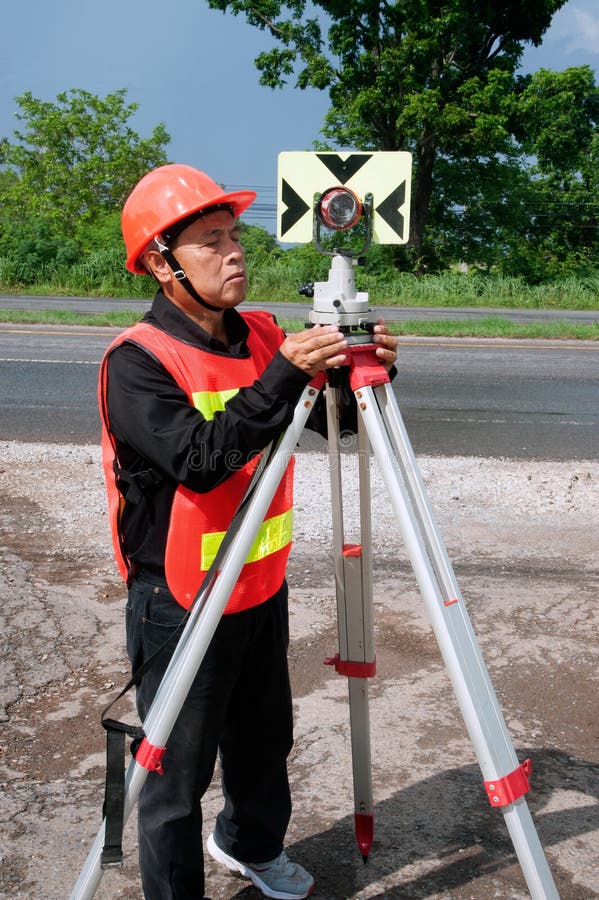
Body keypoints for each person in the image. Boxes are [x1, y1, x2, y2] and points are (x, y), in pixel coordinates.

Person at [98, 163, 398, 900]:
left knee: (264, 744)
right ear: (163, 266)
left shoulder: (264, 334)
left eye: (234, 235)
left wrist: (370, 374)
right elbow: (199, 462)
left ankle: (249, 845)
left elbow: (338, 429)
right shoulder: (136, 361)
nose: (234, 252)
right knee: (176, 775)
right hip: (179, 598)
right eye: (209, 241)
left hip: (259, 585)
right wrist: (285, 376)